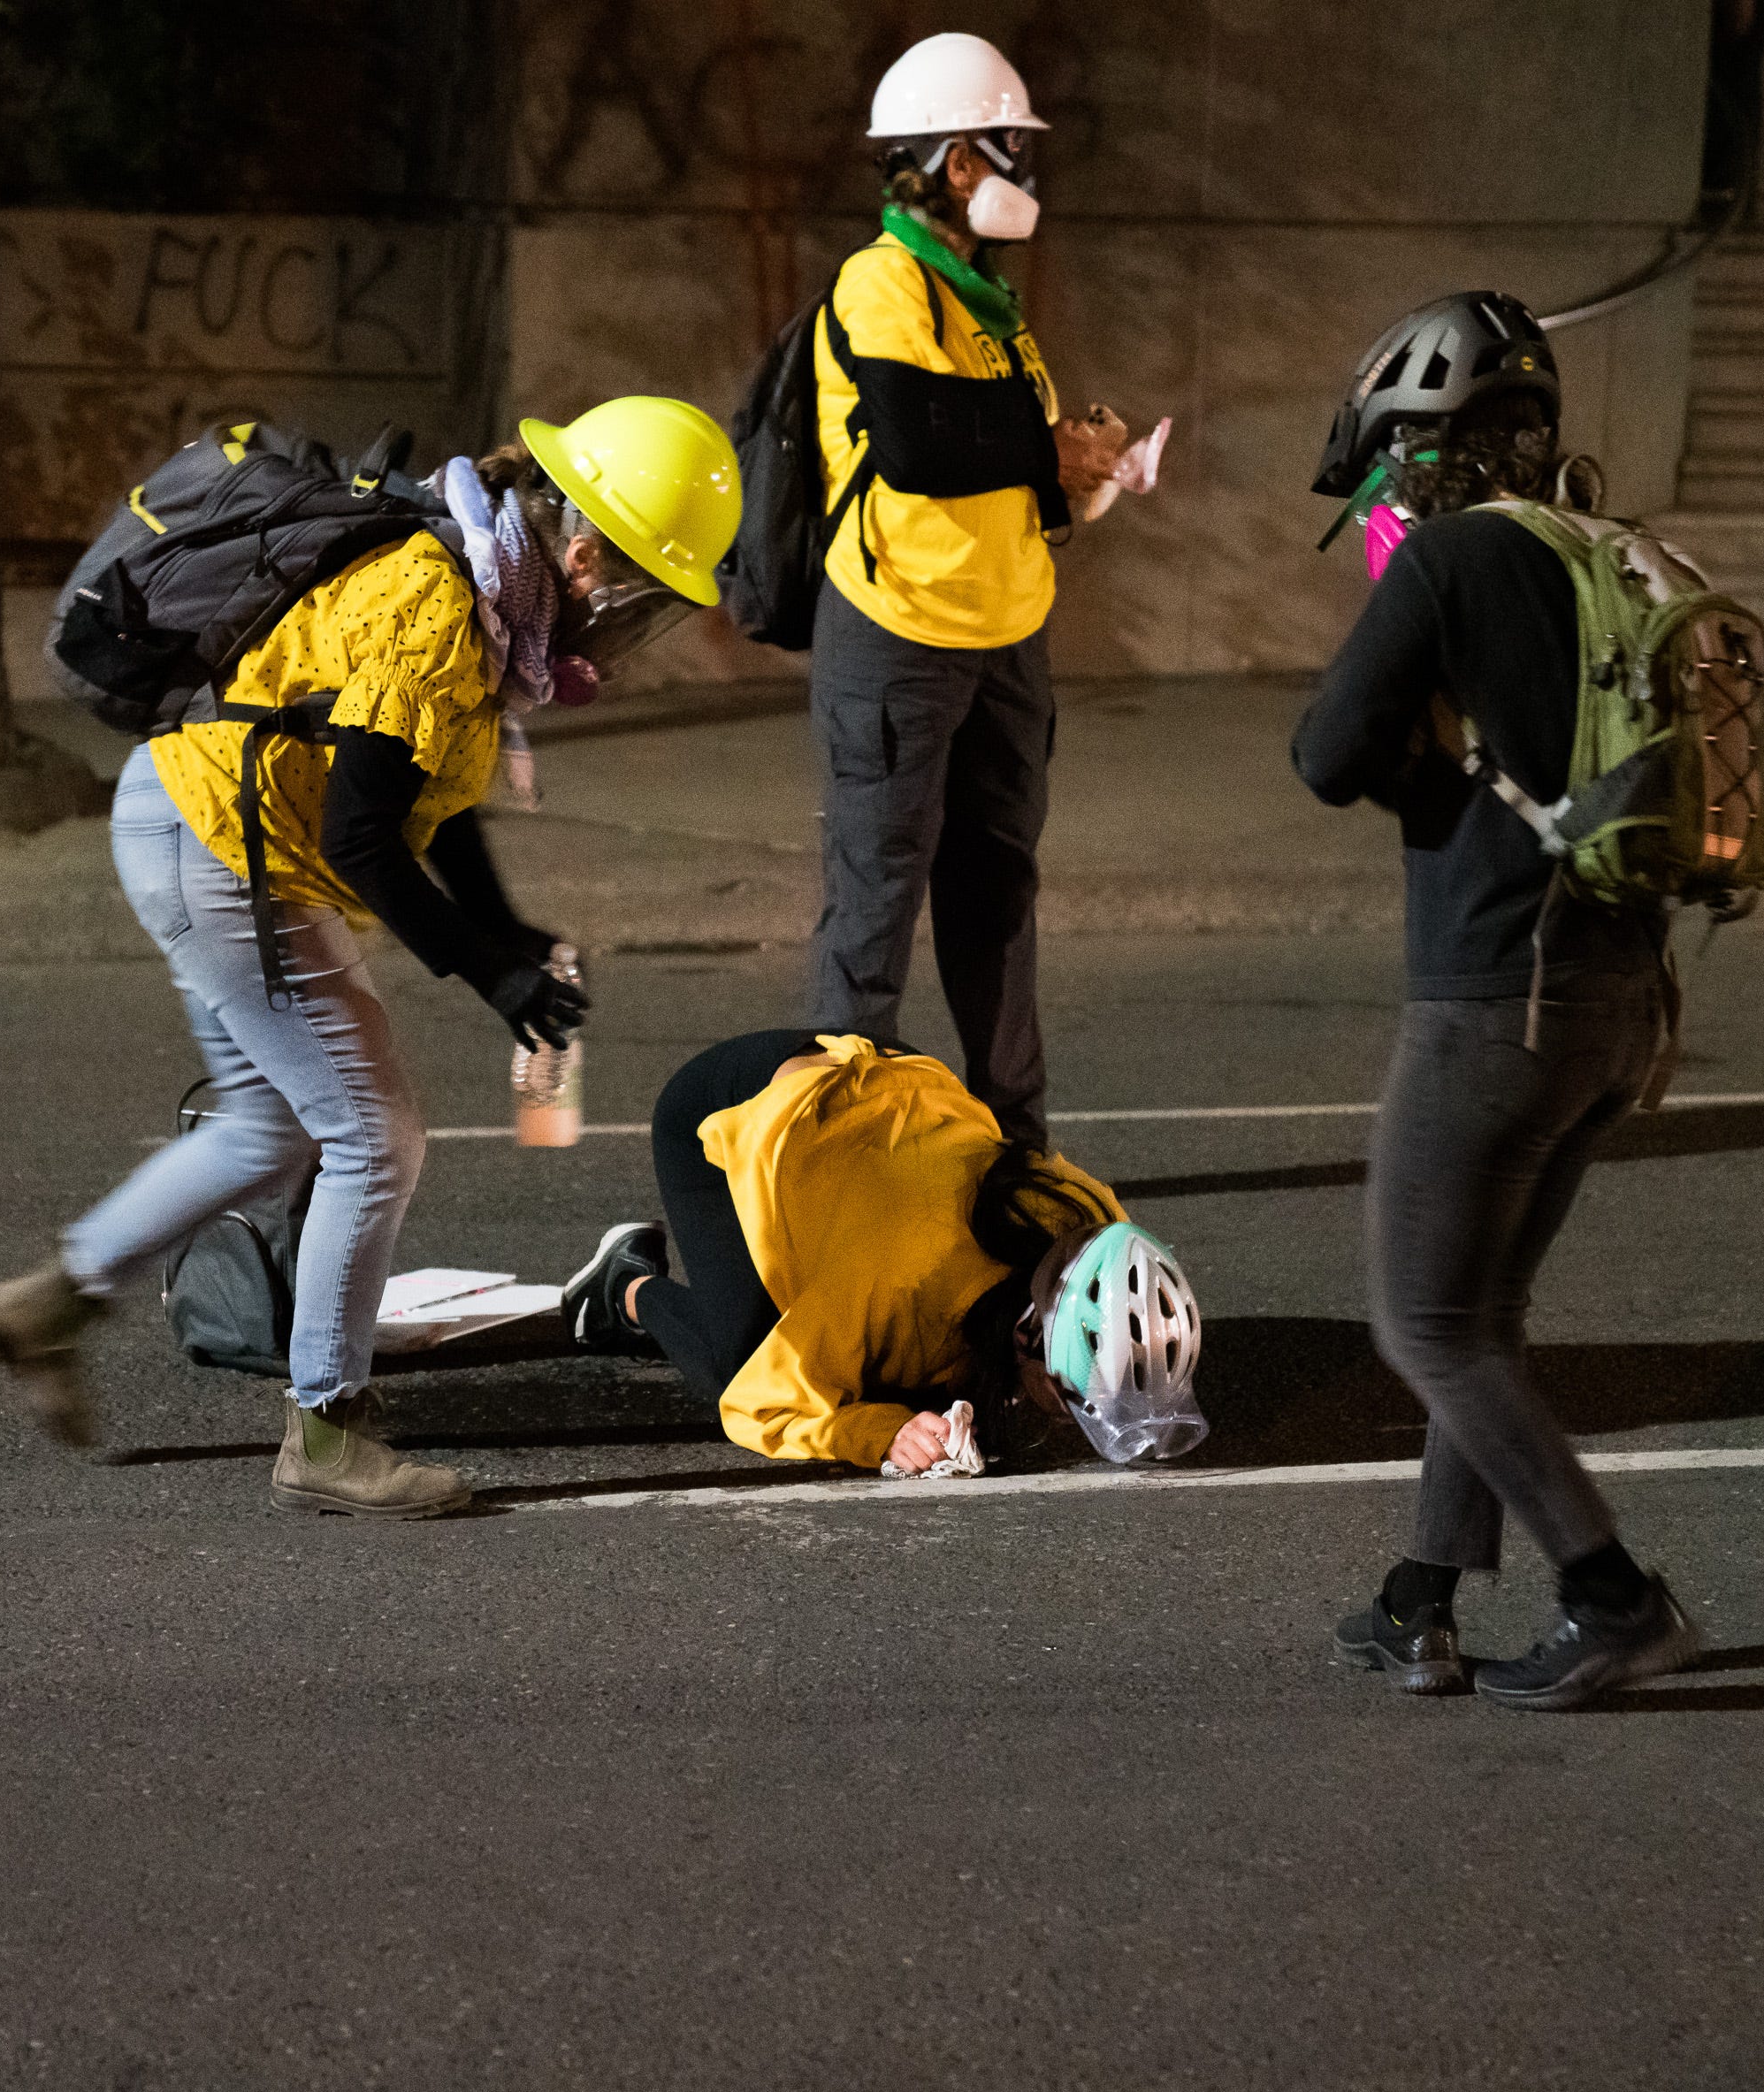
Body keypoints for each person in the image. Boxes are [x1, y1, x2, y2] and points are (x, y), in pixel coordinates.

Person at [0, 397, 742, 1518]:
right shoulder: (438, 600)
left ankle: (44, 1307)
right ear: (584, 556)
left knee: (270, 1123)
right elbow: (362, 837)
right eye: (638, 596)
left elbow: (433, 790)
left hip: (194, 826)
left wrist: (506, 932)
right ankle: (325, 1431)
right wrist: (491, 974)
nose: (629, 627)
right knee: (374, 1136)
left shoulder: (481, 588)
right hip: (229, 851)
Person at [1294, 292, 1700, 1710]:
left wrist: (1427, 760)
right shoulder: (1621, 551)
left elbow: (1325, 752)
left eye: (1400, 457)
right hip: (1624, 1001)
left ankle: (1612, 1594)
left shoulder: (1453, 559)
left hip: (1499, 1002)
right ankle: (1420, 1602)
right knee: (1485, 1312)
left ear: (1426, 446)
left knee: (1427, 1327)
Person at [807, 32, 1121, 1147]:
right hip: (897, 634)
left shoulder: (988, 307)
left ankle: (1014, 1145)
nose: (1026, 175)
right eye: (1011, 151)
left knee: (998, 899)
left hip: (1005, 635)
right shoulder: (882, 282)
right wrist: (1050, 447)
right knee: (875, 904)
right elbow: (918, 445)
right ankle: (844, 1152)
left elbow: (1002, 465)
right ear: (955, 163)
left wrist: (1081, 476)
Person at [560, 1031, 1208, 1475]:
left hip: (894, 1083)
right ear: (1025, 1334)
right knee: (736, 1364)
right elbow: (762, 1405)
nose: (1078, 1421)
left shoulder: (1093, 1217)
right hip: (733, 1096)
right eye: (1072, 1400)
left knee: (911, 1372)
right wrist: (878, 1437)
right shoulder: (894, 1280)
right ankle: (623, 1288)